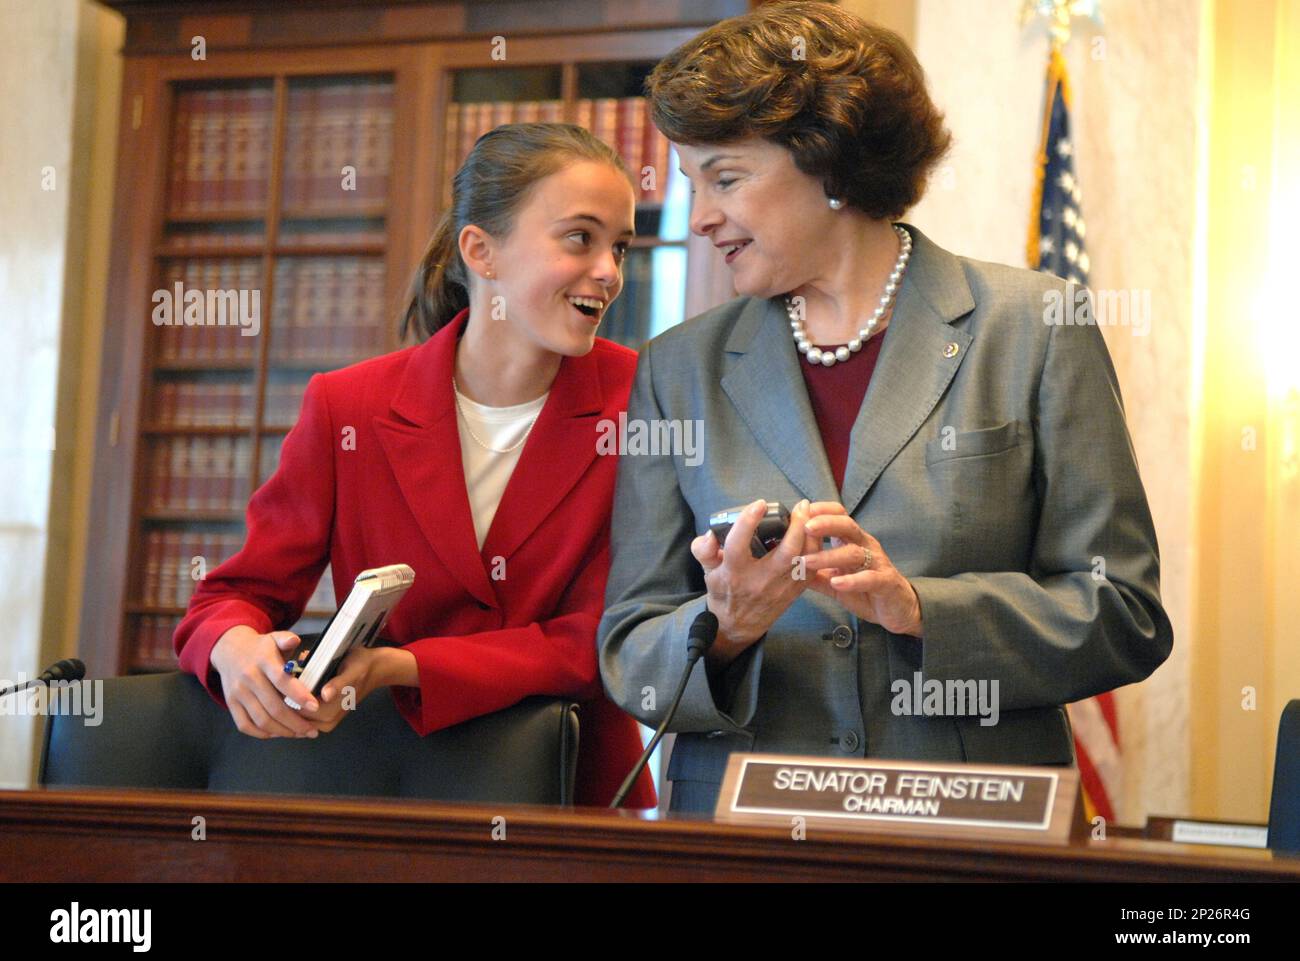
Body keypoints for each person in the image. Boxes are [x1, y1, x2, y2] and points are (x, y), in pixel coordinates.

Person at [598, 1, 1173, 813]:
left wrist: (919, 610)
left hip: (967, 824)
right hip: (740, 830)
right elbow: (628, 644)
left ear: (829, 161)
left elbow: (1123, 612)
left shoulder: (1035, 327)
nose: (699, 219)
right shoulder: (676, 366)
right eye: (693, 184)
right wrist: (724, 626)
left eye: (726, 178)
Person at [175, 123, 655, 809]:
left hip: (571, 798)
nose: (608, 271)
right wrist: (234, 648)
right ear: (481, 251)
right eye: (580, 238)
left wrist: (399, 666)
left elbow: (601, 640)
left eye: (620, 247)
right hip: (384, 790)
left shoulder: (647, 403)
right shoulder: (349, 406)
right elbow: (230, 597)